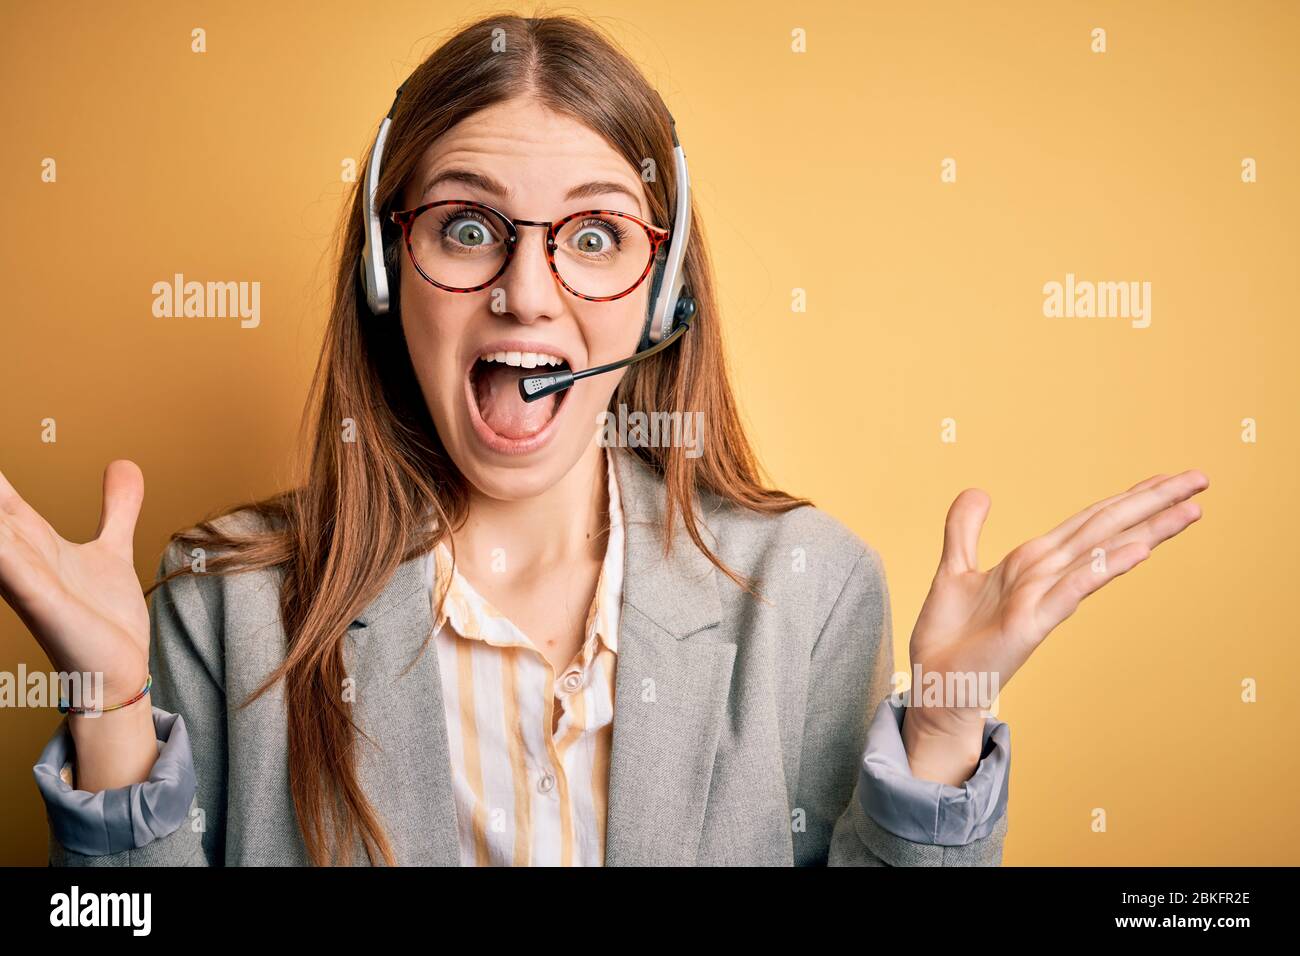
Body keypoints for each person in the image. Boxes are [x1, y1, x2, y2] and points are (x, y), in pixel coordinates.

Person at [7, 13, 1207, 866]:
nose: (527, 293)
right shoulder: (226, 601)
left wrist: (940, 730)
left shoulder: (808, 593)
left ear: (662, 287)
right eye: (469, 226)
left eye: (591, 236)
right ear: (386, 270)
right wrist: (109, 709)